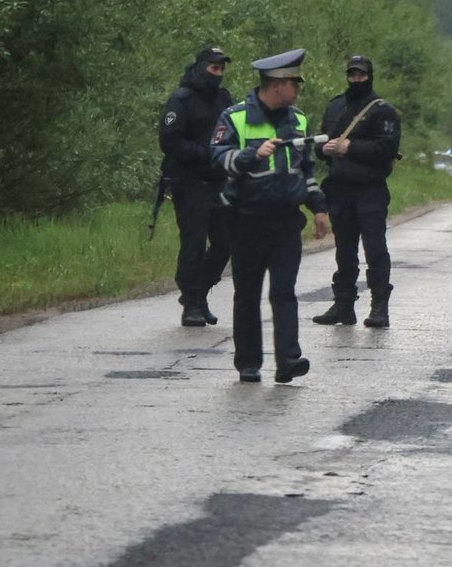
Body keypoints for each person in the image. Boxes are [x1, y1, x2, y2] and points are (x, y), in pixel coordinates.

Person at [211, 49, 329, 384]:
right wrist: (252, 155)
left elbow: (305, 169)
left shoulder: (298, 120)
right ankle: (248, 363)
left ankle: (288, 360)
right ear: (277, 85)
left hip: (286, 220)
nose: (298, 91)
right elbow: (218, 159)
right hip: (246, 219)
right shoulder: (234, 118)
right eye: (295, 84)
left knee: (284, 291)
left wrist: (318, 207)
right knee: (247, 292)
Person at [313, 55, 402, 328]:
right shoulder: (336, 106)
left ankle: (379, 307)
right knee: (344, 250)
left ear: (369, 76)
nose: (357, 79)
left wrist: (349, 147)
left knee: (375, 249)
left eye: (361, 75)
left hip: (370, 189)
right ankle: (343, 305)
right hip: (340, 188)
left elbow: (386, 150)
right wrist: (323, 148)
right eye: (353, 75)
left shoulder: (382, 111)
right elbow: (321, 140)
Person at [158, 46, 234, 327]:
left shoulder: (224, 99)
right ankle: (191, 302)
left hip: (219, 181)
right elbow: (169, 141)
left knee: (225, 242)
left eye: (222, 69)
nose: (218, 73)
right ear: (201, 67)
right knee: (194, 242)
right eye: (214, 68)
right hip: (189, 181)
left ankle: (199, 292)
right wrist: (205, 153)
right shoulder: (181, 99)